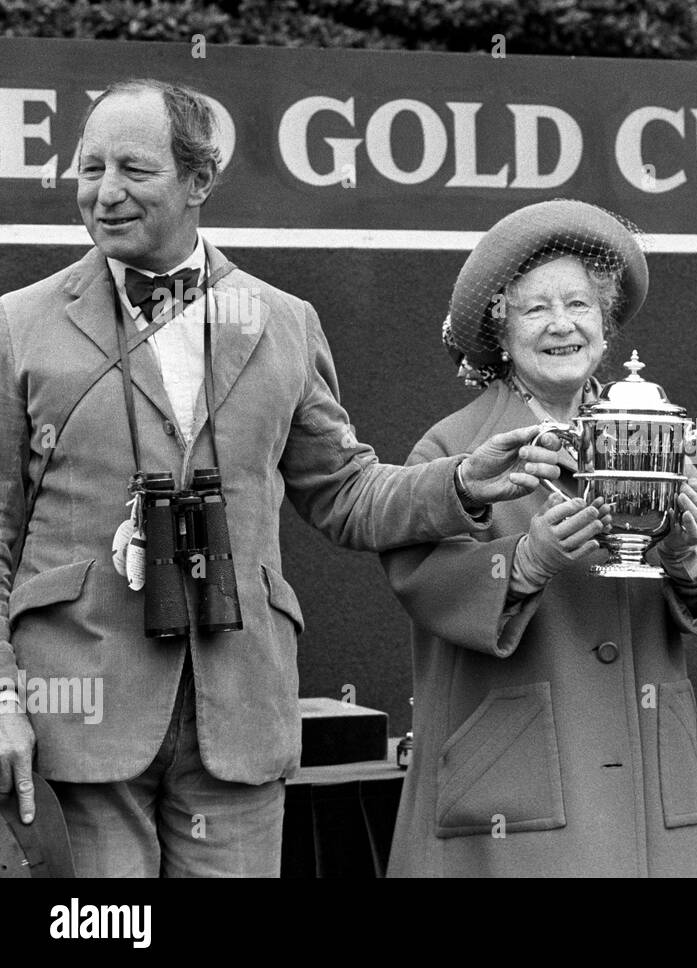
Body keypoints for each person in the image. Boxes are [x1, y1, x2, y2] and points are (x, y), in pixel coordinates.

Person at [0, 78, 562, 877]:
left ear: (200, 180)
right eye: (89, 170)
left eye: (133, 168)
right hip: (76, 720)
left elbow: (346, 493)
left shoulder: (283, 321)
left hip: (240, 719)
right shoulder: (18, 326)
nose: (104, 193)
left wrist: (462, 481)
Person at [381, 199, 697, 877]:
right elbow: (420, 579)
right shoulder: (454, 448)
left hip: (649, 782)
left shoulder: (652, 430)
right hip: (510, 791)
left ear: (606, 326)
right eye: (535, 309)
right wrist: (525, 561)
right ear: (500, 331)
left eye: (580, 306)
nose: (562, 326)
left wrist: (690, 553)